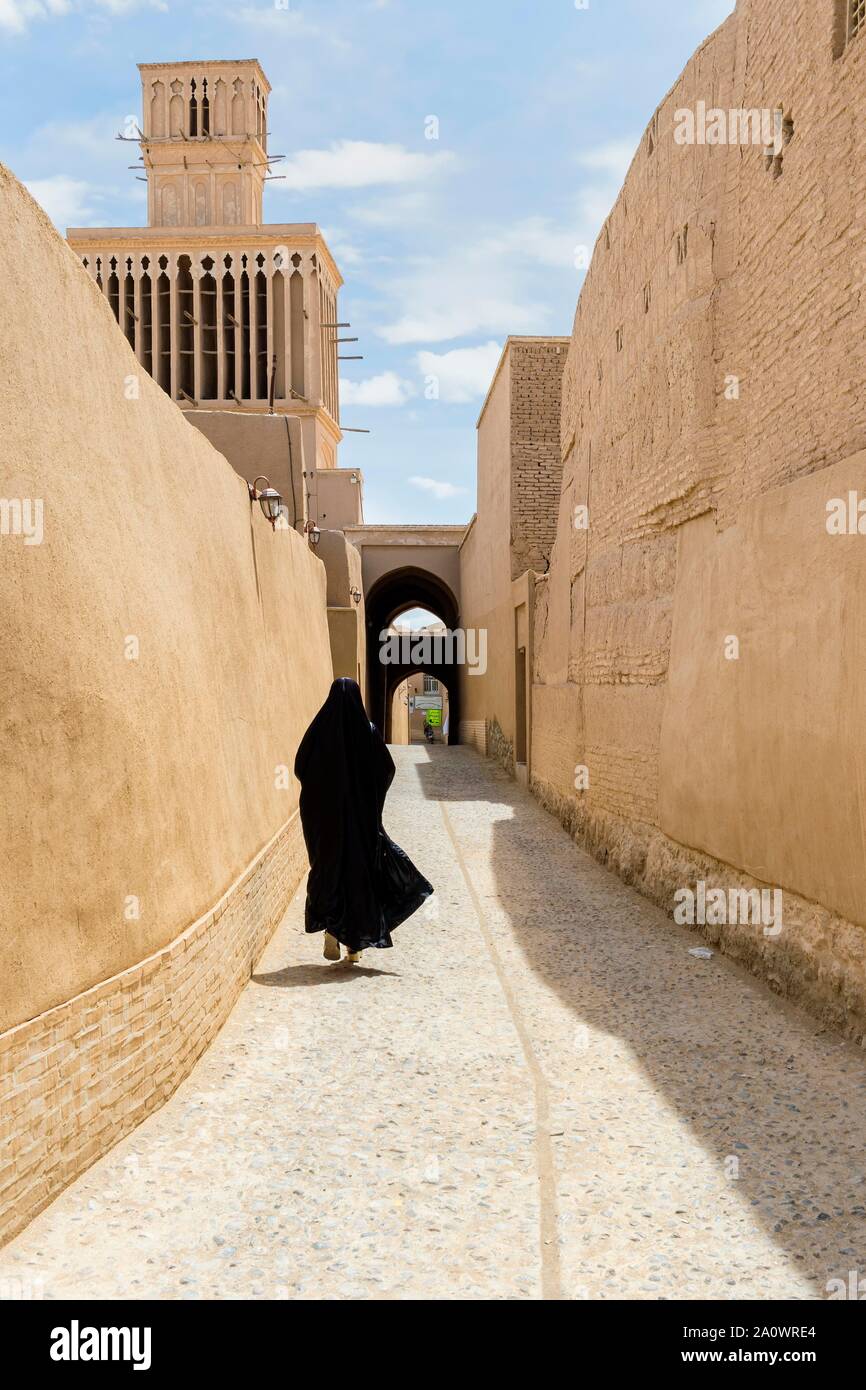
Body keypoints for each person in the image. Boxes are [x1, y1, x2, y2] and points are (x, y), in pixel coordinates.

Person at [294, 678, 434, 964]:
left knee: (329, 869)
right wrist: (370, 800)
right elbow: (387, 769)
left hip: (326, 822)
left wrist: (320, 797)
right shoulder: (367, 732)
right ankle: (354, 947)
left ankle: (332, 929)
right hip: (361, 822)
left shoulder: (319, 731)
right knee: (359, 875)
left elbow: (300, 767)